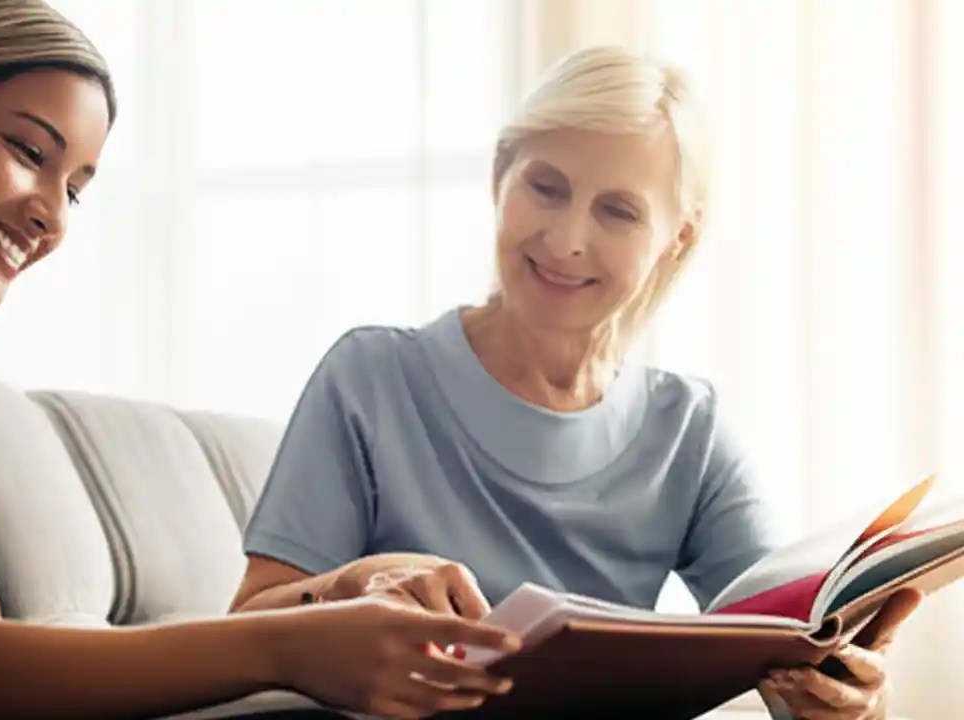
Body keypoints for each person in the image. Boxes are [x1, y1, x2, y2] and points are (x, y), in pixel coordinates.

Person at [0, 1, 524, 717]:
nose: (52, 214)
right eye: (29, 152)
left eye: (76, 187)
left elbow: (3, 660)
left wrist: (325, 596)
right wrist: (288, 644)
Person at [231, 46, 920, 719]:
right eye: (546, 187)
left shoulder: (689, 429)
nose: (565, 241)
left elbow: (783, 638)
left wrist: (846, 696)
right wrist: (353, 585)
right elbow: (247, 625)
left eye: (617, 211)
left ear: (676, 238)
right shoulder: (371, 378)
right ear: (501, 176)